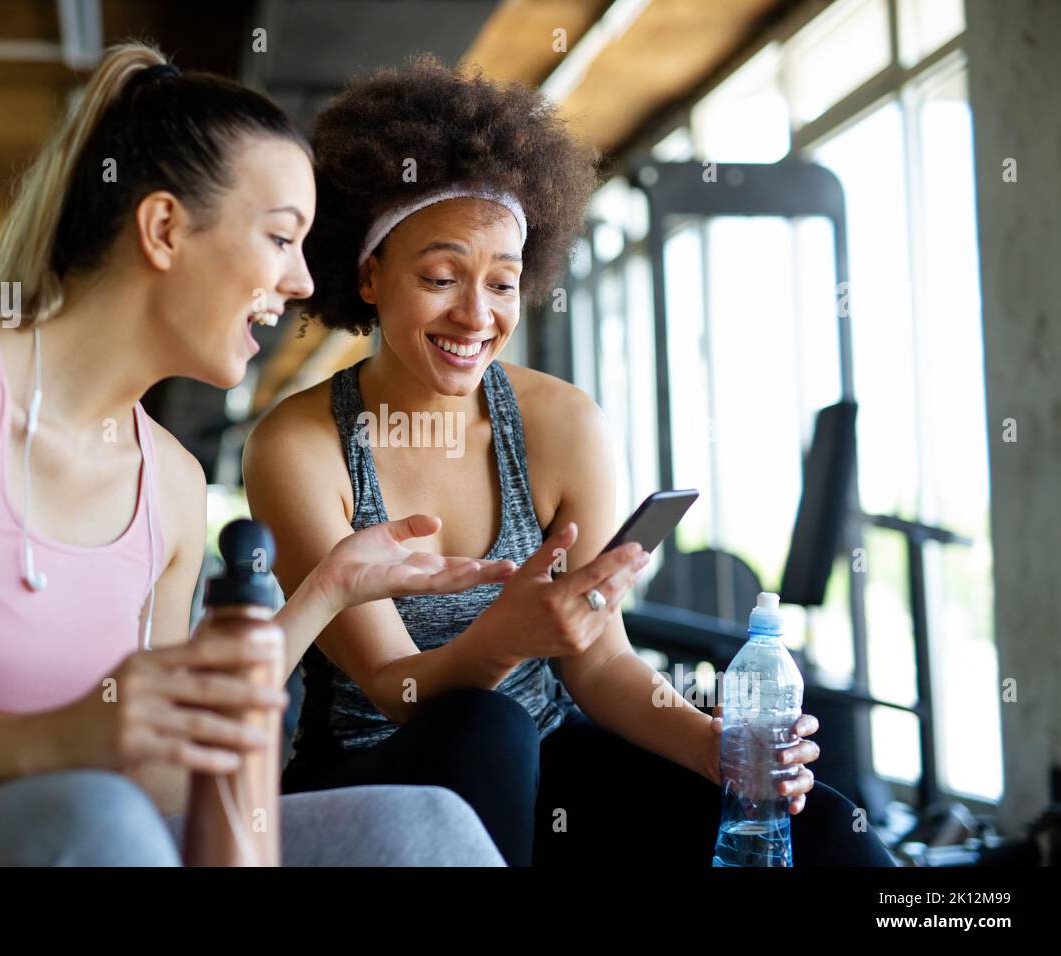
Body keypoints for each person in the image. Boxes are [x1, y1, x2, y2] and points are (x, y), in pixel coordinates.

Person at [0, 43, 510, 868]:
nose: (301, 282)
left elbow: (157, 768)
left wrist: (326, 590)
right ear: (162, 229)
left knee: (423, 832)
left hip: (88, 835)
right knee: (96, 817)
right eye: (280, 237)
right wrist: (63, 743)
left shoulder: (174, 488)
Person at [244, 55, 897, 867]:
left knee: (831, 834)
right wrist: (511, 637)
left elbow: (602, 661)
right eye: (441, 276)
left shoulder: (559, 423)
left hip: (548, 769)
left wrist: (714, 747)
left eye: (503, 283)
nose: (476, 315)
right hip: (379, 777)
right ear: (370, 274)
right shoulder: (297, 446)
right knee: (486, 726)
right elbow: (396, 688)